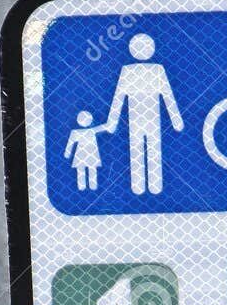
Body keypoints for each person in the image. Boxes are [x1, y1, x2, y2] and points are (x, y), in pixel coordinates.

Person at [104, 33, 183, 196]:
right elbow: (119, 95)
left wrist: (176, 119)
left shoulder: (154, 70)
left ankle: (147, 186)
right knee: (144, 149)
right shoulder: (135, 71)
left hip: (147, 117)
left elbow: (167, 94)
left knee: (143, 149)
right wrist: (176, 120)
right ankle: (145, 186)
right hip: (140, 118)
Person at [63, 110, 104, 191]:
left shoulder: (77, 132)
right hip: (89, 154)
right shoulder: (89, 131)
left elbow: (70, 144)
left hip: (83, 154)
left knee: (85, 169)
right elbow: (105, 126)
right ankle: (89, 186)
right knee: (88, 169)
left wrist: (67, 153)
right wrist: (67, 154)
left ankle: (86, 186)